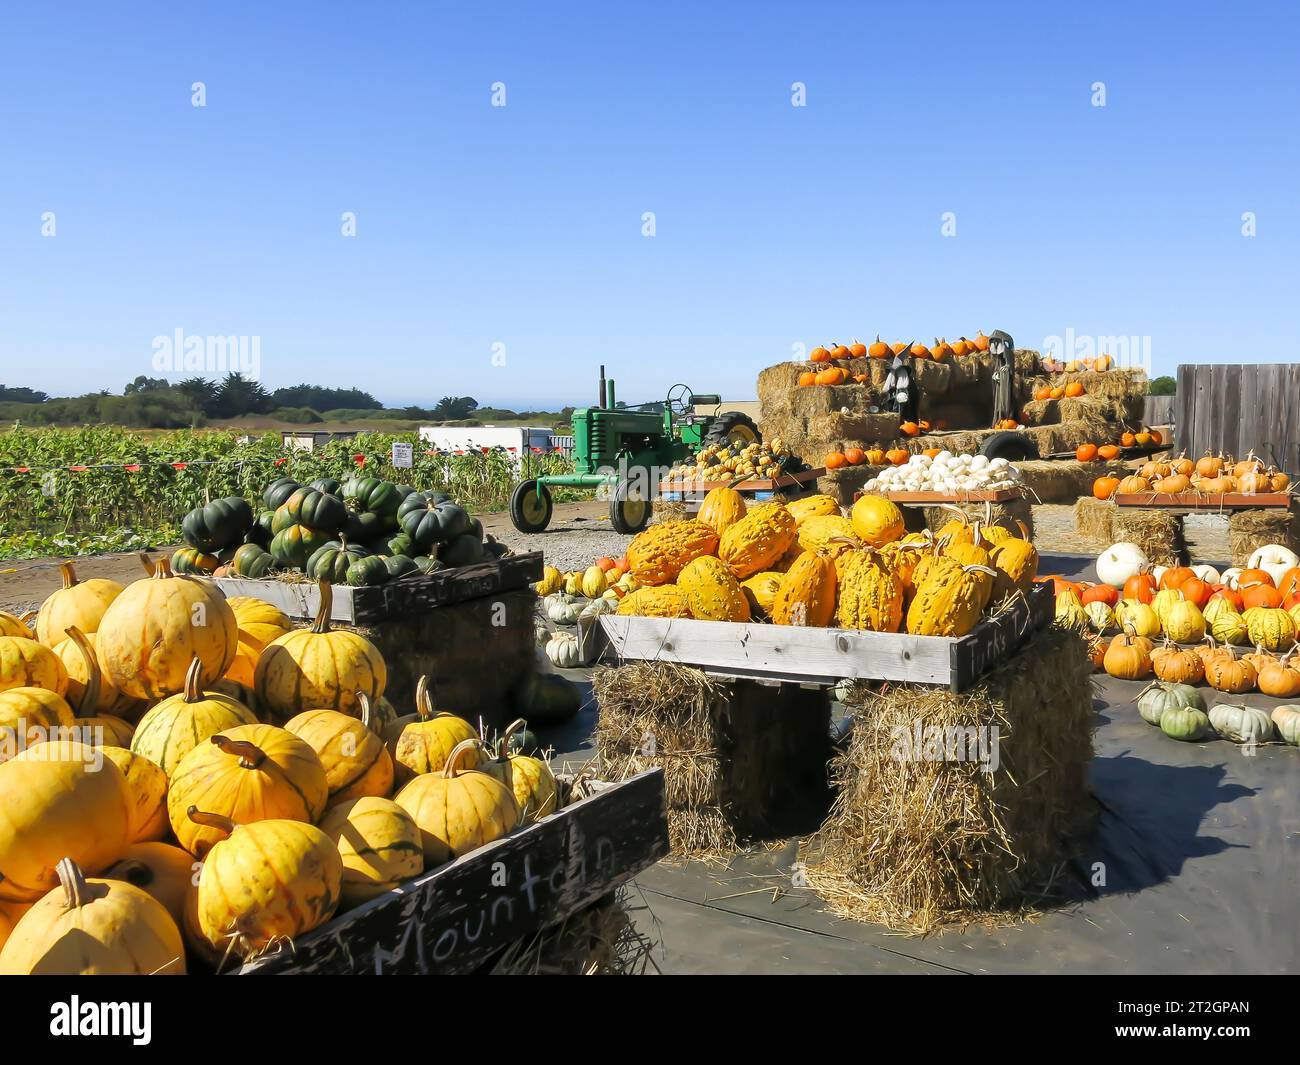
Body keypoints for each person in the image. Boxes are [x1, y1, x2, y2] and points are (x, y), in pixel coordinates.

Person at [883, 347, 918, 424]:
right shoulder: (895, 372)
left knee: (901, 407)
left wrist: (886, 392)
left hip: (902, 392)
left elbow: (896, 385)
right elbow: (889, 385)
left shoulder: (901, 371)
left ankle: (904, 423)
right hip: (900, 391)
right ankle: (903, 423)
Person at [989, 330, 1016, 425]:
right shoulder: (996, 356)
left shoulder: (1006, 351)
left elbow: (1010, 365)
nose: (994, 343)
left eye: (996, 341)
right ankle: (998, 419)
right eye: (992, 341)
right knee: (998, 399)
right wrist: (995, 373)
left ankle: (1006, 418)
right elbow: (997, 366)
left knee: (1004, 397)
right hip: (999, 380)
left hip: (1005, 378)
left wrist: (1007, 367)